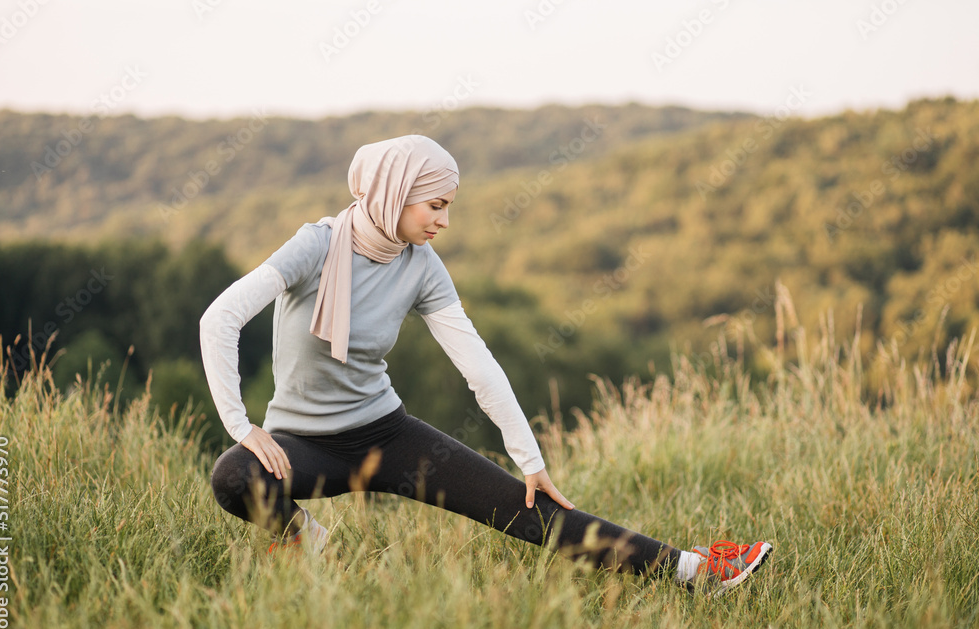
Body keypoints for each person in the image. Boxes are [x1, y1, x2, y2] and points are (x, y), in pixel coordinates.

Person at [200, 135, 771, 595]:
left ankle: (696, 570)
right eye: (436, 205)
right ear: (395, 194)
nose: (444, 221)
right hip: (303, 444)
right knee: (233, 476)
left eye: (448, 207)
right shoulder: (317, 245)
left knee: (532, 513)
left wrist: (530, 460)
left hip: (386, 434)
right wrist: (242, 427)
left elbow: (479, 366)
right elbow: (220, 318)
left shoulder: (422, 265)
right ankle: (304, 540)